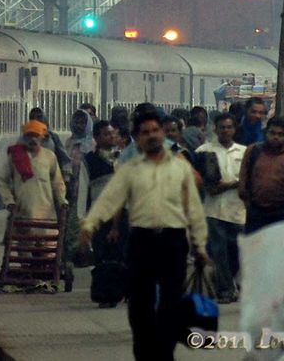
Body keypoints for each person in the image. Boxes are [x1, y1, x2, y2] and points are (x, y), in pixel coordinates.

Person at [79, 111, 208, 361]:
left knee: (171, 304)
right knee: (140, 307)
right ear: (137, 139)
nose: (151, 136)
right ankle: (144, 353)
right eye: (145, 132)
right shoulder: (129, 171)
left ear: (163, 134)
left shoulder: (180, 167)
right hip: (141, 242)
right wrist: (89, 226)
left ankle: (165, 354)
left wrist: (200, 245)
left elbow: (193, 208)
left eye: (155, 131)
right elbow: (109, 199)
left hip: (173, 242)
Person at [195, 113, 246, 304]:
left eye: (229, 127)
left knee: (237, 251)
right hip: (213, 210)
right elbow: (197, 180)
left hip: (237, 210)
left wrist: (230, 185)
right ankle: (225, 290)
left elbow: (247, 180)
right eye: (222, 127)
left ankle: (227, 282)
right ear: (215, 129)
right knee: (219, 252)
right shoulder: (204, 151)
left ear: (234, 129)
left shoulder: (244, 152)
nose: (226, 131)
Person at [84, 120, 127, 307]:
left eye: (113, 133)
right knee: (101, 255)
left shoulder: (124, 158)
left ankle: (121, 292)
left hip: (123, 214)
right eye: (106, 134)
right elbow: (83, 192)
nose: (111, 137)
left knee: (121, 254)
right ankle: (105, 296)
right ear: (96, 138)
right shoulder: (89, 161)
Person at [238, 116, 284, 234]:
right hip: (256, 212)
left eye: (281, 134)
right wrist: (247, 202)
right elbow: (244, 177)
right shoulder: (253, 151)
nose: (276, 137)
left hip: (283, 213)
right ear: (266, 132)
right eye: (272, 133)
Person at [0, 119, 68, 223]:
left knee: (48, 238)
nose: (32, 139)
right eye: (29, 136)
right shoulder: (15, 156)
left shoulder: (49, 157)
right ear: (24, 138)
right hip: (22, 214)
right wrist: (9, 202)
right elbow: (3, 181)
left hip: (46, 215)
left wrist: (62, 202)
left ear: (42, 137)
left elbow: (58, 183)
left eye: (36, 135)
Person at [64, 109, 95, 264]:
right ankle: (72, 252)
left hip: (87, 188)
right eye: (77, 121)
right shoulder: (68, 143)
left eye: (83, 122)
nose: (79, 125)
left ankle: (85, 253)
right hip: (71, 187)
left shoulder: (93, 144)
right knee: (71, 222)